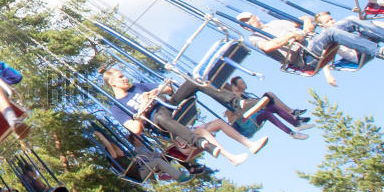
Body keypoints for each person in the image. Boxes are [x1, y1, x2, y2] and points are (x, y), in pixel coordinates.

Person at [102, 66, 265, 165]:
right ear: (113, 83)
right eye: (121, 77)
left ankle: (238, 105)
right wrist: (144, 107)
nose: (125, 79)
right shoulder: (117, 107)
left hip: (167, 107)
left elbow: (168, 89)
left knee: (194, 82)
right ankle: (206, 145)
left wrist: (154, 92)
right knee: (168, 121)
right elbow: (136, 129)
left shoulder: (137, 87)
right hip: (156, 120)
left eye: (124, 75)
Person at [237, 11, 384, 84]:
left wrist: (307, 22)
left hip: (312, 42)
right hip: (304, 56)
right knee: (332, 32)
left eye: (249, 18)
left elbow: (304, 24)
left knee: (350, 20)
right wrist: (290, 35)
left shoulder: (276, 22)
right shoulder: (255, 37)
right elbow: (268, 46)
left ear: (255, 16)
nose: (249, 22)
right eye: (244, 22)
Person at [221, 77, 309, 139]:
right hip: (248, 125)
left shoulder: (248, 95)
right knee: (267, 109)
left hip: (256, 115)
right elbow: (231, 121)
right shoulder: (232, 103)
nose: (244, 84)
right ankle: (291, 132)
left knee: (272, 106)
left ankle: (296, 123)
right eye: (241, 84)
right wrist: (235, 114)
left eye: (243, 82)